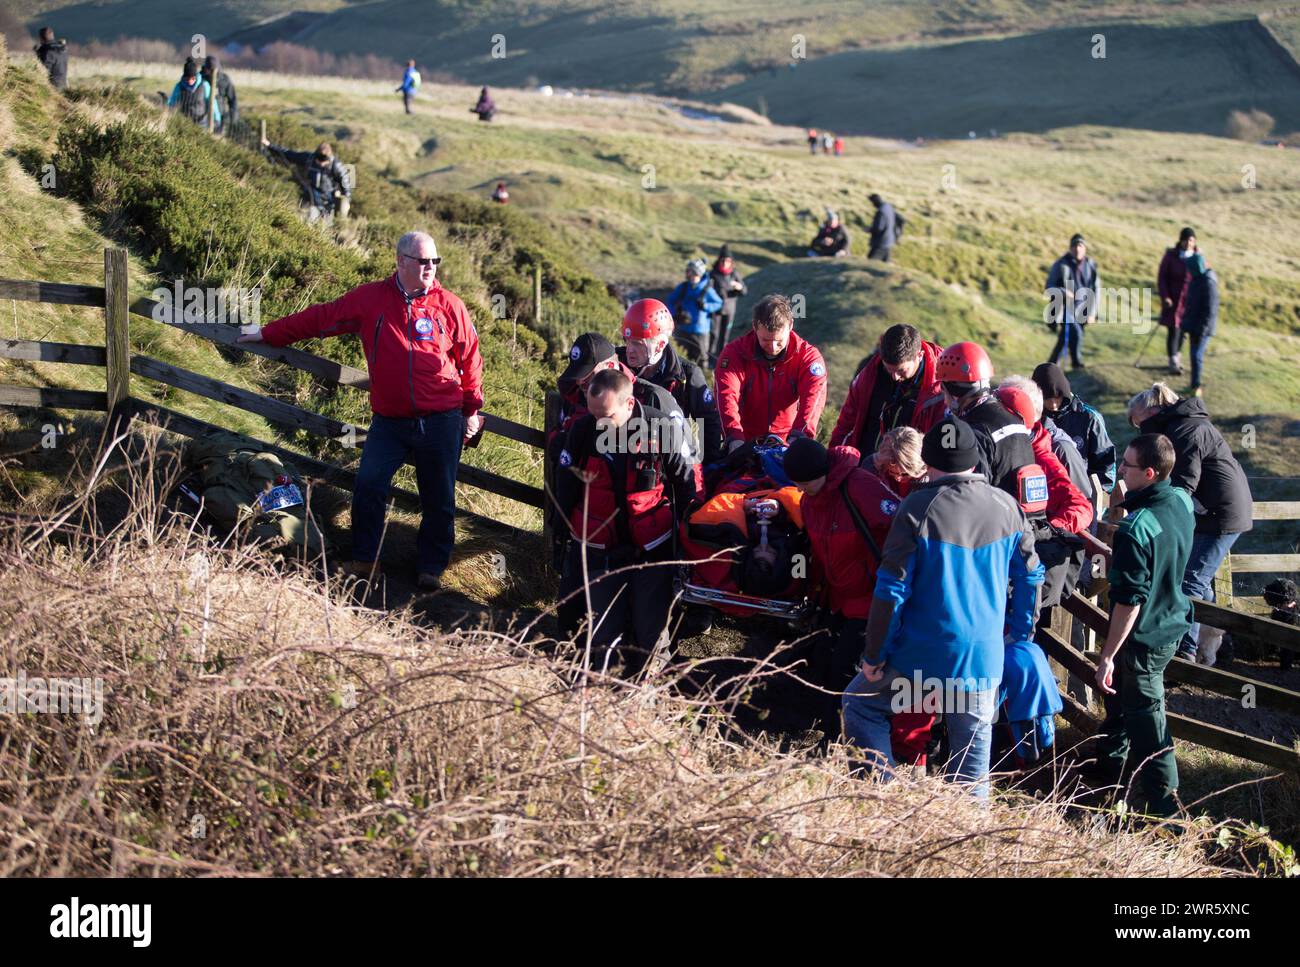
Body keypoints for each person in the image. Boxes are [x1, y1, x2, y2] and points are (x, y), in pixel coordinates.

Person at [237, 232, 483, 590]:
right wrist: (269, 333)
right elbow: (322, 319)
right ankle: (366, 560)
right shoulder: (372, 299)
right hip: (390, 420)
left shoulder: (450, 305)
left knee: (439, 497)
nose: (430, 267)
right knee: (368, 484)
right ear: (401, 261)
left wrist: (471, 408)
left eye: (435, 261)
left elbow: (470, 357)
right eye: (422, 261)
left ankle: (431, 568)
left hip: (441, 418)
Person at [842, 417, 1044, 799]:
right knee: (971, 777)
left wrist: (874, 654)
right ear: (974, 461)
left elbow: (891, 589)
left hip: (920, 668)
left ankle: (881, 800)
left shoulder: (918, 507)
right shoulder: (1009, 507)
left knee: (860, 706)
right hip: (980, 667)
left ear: (928, 462)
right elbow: (1032, 578)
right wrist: (1020, 636)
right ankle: (969, 847)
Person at [554, 368, 701, 675]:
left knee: (652, 631)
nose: (600, 423)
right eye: (594, 414)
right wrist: (562, 538)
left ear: (629, 404)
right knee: (603, 632)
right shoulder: (583, 431)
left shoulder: (661, 429)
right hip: (600, 548)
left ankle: (651, 700)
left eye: (606, 415)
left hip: (652, 549)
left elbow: (686, 485)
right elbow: (566, 488)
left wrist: (687, 544)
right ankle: (601, 699)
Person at [1094, 434, 1194, 818]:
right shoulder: (1182, 500)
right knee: (1120, 710)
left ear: (1149, 473)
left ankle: (1168, 819)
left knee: (1150, 728)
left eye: (1127, 466)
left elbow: (1128, 602)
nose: (1120, 470)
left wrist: (1108, 655)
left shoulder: (1137, 529)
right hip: (1171, 624)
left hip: (1143, 642)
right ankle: (1104, 786)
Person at [782, 437, 904, 734]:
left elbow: (902, 523)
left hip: (870, 601)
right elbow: (817, 550)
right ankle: (823, 730)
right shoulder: (812, 501)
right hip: (838, 600)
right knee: (821, 661)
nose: (799, 489)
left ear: (820, 474)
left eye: (804, 482)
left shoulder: (860, 486)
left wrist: (892, 579)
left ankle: (842, 739)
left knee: (846, 669)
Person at [1128, 383, 1252, 663]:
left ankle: (1186, 650)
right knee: (1200, 581)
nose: (1141, 432)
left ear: (1155, 411)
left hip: (1220, 514)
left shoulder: (1186, 432)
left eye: (1141, 424)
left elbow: (1183, 485)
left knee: (1190, 581)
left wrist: (1160, 519)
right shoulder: (1181, 427)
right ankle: (1215, 641)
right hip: (1213, 511)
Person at [716, 294, 828, 451]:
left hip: (787, 442)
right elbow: (726, 396)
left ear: (790, 326)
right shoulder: (734, 354)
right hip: (745, 441)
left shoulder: (808, 358)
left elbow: (813, 399)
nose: (773, 347)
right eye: (766, 341)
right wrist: (733, 436)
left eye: (779, 341)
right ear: (754, 327)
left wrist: (799, 436)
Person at [618, 298, 723, 464]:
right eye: (627, 341)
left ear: (660, 345)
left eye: (637, 344)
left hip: (670, 461)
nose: (629, 350)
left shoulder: (687, 375)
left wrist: (709, 467)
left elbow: (709, 422)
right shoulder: (617, 364)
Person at [831, 323, 945, 458]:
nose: (895, 377)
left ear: (919, 356)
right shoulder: (869, 373)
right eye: (889, 369)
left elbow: (942, 447)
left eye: (901, 370)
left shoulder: (943, 385)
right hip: (864, 465)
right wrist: (835, 462)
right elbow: (846, 423)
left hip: (909, 470)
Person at [1032, 362, 1116, 508]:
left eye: (1057, 397)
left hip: (1082, 500)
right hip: (1045, 498)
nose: (1053, 404)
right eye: (1047, 399)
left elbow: (1105, 464)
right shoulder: (1032, 417)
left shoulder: (1089, 418)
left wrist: (1097, 498)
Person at [261, 136, 352, 223]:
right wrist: (270, 146)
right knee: (306, 223)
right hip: (308, 198)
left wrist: (346, 199)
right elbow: (289, 154)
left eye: (324, 162)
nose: (321, 164)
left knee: (325, 229)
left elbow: (345, 182)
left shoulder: (336, 166)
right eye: (319, 161)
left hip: (327, 202)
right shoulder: (308, 158)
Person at [1045, 233, 1099, 369]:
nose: (1077, 248)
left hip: (1083, 308)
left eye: (1080, 245)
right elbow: (1049, 286)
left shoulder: (1090, 265)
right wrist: (1064, 292)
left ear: (1085, 248)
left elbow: (1096, 290)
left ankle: (1050, 366)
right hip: (1064, 308)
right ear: (1070, 248)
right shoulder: (1061, 264)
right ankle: (1077, 363)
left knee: (1064, 339)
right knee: (1076, 333)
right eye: (1074, 245)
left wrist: (1092, 313)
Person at [664, 259, 723, 368]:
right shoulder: (684, 287)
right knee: (680, 357)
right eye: (689, 272)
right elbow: (670, 301)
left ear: (699, 273)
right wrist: (674, 313)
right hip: (683, 328)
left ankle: (703, 378)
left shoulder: (707, 290)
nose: (690, 275)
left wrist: (705, 306)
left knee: (701, 358)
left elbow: (719, 303)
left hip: (700, 330)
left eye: (693, 272)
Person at [1157, 227, 1197, 375]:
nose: (1188, 243)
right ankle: (1173, 361)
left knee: (1184, 332)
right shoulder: (1171, 256)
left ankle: (1177, 357)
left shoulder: (1197, 257)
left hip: (1189, 302)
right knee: (1174, 330)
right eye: (1185, 240)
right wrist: (1165, 296)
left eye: (1191, 240)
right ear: (1180, 240)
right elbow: (1162, 277)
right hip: (1173, 301)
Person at [1179, 253, 1218, 396]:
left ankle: (1196, 387)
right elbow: (1190, 305)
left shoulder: (1208, 283)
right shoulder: (1196, 280)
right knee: (1194, 355)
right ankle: (1194, 385)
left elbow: (1210, 312)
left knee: (1196, 355)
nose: (1188, 271)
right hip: (1194, 326)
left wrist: (1200, 331)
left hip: (1203, 329)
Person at [708, 245, 747, 367]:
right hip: (715, 310)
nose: (725, 263)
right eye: (723, 260)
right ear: (719, 260)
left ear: (731, 262)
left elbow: (744, 290)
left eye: (728, 260)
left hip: (730, 310)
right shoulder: (713, 274)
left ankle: (722, 359)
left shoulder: (734, 274)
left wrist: (739, 287)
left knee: (725, 336)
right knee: (714, 334)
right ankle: (711, 359)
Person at [872, 426, 926, 498]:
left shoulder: (930, 482)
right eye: (892, 472)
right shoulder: (873, 466)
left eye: (905, 474)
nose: (898, 478)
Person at [167, 59, 220, 130]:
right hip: (184, 124)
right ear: (184, 77)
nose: (190, 81)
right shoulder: (179, 86)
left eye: (192, 78)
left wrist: (216, 118)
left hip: (202, 124)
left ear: (196, 76)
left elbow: (212, 103)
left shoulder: (204, 85)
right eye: (187, 78)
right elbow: (172, 103)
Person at [200, 56, 238, 135]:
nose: (211, 72)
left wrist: (233, 116)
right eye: (209, 69)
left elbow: (233, 100)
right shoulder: (200, 78)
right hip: (202, 117)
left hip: (220, 118)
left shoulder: (224, 80)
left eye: (213, 69)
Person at [867, 194, 903, 262]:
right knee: (885, 263)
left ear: (875, 202)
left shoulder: (881, 212)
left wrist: (869, 229)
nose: (872, 205)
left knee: (870, 262)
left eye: (872, 203)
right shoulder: (888, 207)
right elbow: (900, 219)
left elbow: (878, 228)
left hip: (881, 242)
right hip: (889, 241)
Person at [34, 27, 68, 91]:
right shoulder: (62, 49)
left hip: (52, 87)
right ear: (52, 35)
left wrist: (39, 54)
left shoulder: (47, 52)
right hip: (63, 84)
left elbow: (43, 71)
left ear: (41, 38)